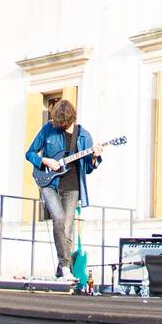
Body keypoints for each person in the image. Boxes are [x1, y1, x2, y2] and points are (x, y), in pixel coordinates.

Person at [25, 99, 104, 279]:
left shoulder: (84, 136)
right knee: (59, 219)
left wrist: (95, 158)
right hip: (48, 183)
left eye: (63, 124)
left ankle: (64, 269)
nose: (59, 126)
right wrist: (45, 161)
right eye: (57, 123)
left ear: (70, 119)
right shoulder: (48, 129)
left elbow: (89, 169)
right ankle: (65, 267)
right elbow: (30, 153)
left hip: (72, 185)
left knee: (67, 228)